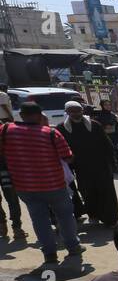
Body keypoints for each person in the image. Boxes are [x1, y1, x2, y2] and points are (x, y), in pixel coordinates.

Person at [0, 101, 83, 265]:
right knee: (65, 217)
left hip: (25, 186)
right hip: (54, 185)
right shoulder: (51, 133)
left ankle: (50, 254)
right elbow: (68, 157)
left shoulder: (6, 131)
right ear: (40, 116)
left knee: (39, 219)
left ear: (21, 115)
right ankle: (73, 247)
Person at [58, 100, 118, 228]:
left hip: (101, 165)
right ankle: (94, 215)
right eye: (72, 111)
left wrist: (112, 163)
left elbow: (107, 145)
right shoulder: (62, 128)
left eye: (78, 111)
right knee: (87, 192)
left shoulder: (94, 125)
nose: (76, 114)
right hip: (81, 168)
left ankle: (111, 219)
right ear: (67, 112)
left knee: (107, 192)